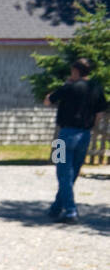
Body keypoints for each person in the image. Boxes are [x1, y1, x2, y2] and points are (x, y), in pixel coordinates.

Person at [44, 58, 107, 222]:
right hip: (84, 134)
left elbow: (48, 100)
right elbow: (100, 113)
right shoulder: (96, 88)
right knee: (72, 174)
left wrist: (65, 85)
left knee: (62, 173)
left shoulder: (69, 87)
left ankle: (71, 210)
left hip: (64, 134)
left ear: (75, 71)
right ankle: (56, 207)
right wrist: (92, 127)